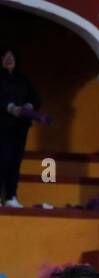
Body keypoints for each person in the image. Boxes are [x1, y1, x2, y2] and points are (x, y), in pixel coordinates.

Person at [1, 50, 40, 208]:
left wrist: (28, 106)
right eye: (5, 57)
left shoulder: (23, 80)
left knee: (14, 162)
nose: (9, 59)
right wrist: (9, 108)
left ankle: (11, 197)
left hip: (19, 128)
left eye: (12, 57)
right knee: (1, 159)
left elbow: (35, 98)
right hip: (2, 126)